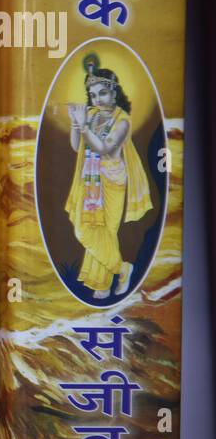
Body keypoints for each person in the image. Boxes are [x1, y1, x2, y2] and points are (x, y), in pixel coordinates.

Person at [64, 55, 152, 299]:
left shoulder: (122, 121)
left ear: (114, 92)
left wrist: (83, 126)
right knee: (85, 229)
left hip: (113, 182)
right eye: (93, 96)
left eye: (102, 93)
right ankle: (122, 269)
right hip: (89, 180)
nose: (97, 100)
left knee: (105, 232)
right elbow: (76, 147)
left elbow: (105, 149)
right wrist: (75, 124)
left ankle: (101, 285)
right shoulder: (91, 114)